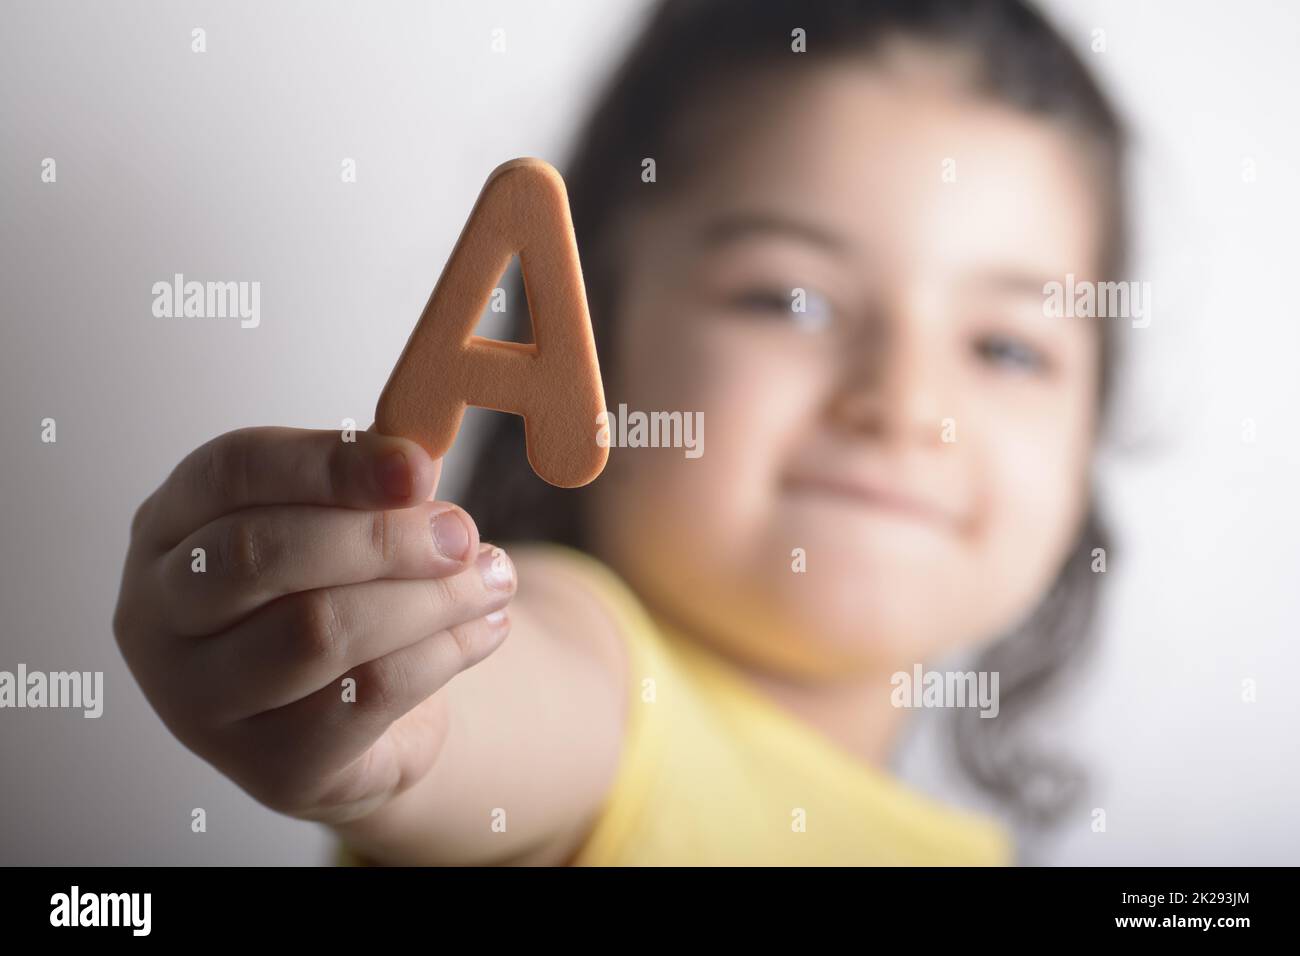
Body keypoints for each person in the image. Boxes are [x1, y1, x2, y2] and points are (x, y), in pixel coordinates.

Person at [112, 0, 1126, 865]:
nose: (903, 402)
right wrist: (394, 716)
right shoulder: (595, 681)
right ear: (592, 329)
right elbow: (493, 715)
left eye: (1005, 348)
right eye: (790, 300)